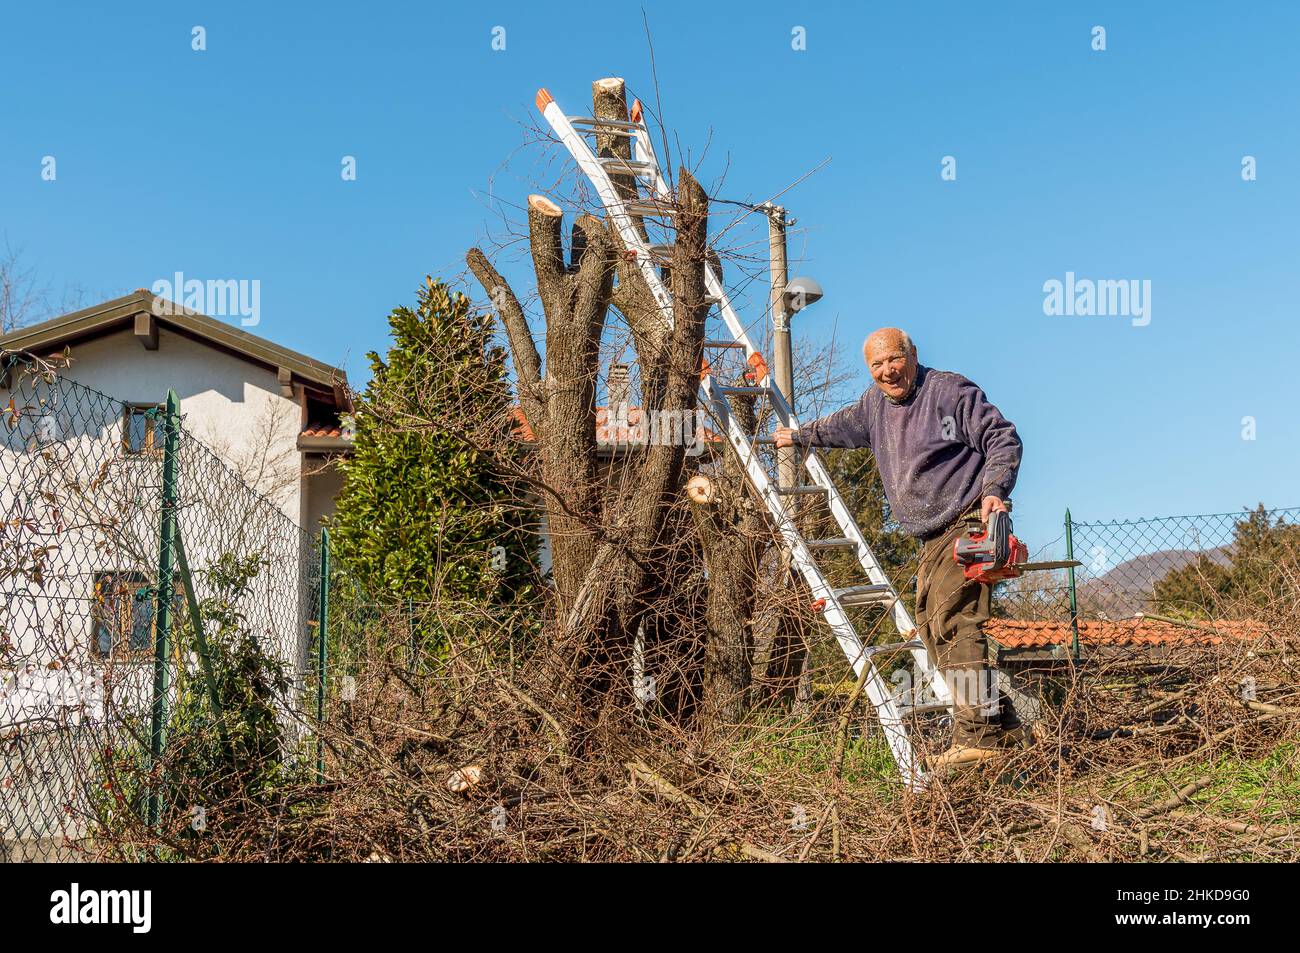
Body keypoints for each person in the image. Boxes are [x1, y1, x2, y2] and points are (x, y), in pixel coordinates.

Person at [774, 327, 1025, 768]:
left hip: (967, 521)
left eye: (895, 359)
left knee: (952, 620)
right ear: (870, 371)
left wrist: (994, 490)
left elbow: (1001, 437)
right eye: (877, 365)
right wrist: (799, 436)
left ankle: (979, 739)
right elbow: (841, 427)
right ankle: (1004, 722)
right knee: (930, 627)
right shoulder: (874, 407)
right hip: (931, 537)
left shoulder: (947, 391)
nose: (888, 371)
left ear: (913, 355)